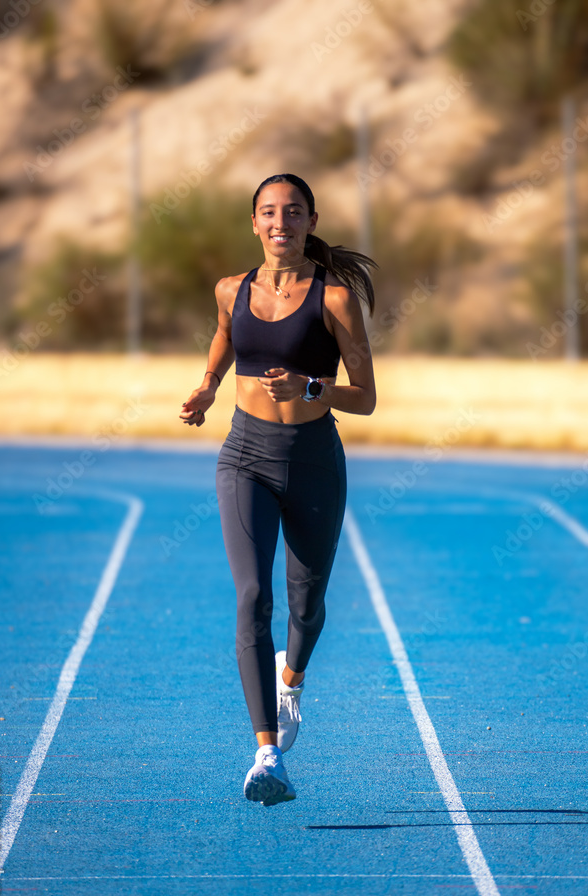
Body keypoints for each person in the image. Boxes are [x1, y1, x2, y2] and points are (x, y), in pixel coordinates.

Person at [180, 173, 377, 807]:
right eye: (268, 212)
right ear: (255, 222)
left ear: (311, 221)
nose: (280, 222)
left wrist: (310, 387)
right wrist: (209, 385)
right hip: (245, 457)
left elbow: (366, 397)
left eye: (293, 212)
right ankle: (268, 753)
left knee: (306, 606)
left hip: (314, 461)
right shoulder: (230, 289)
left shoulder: (334, 298)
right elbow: (224, 334)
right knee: (252, 596)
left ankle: (290, 679)